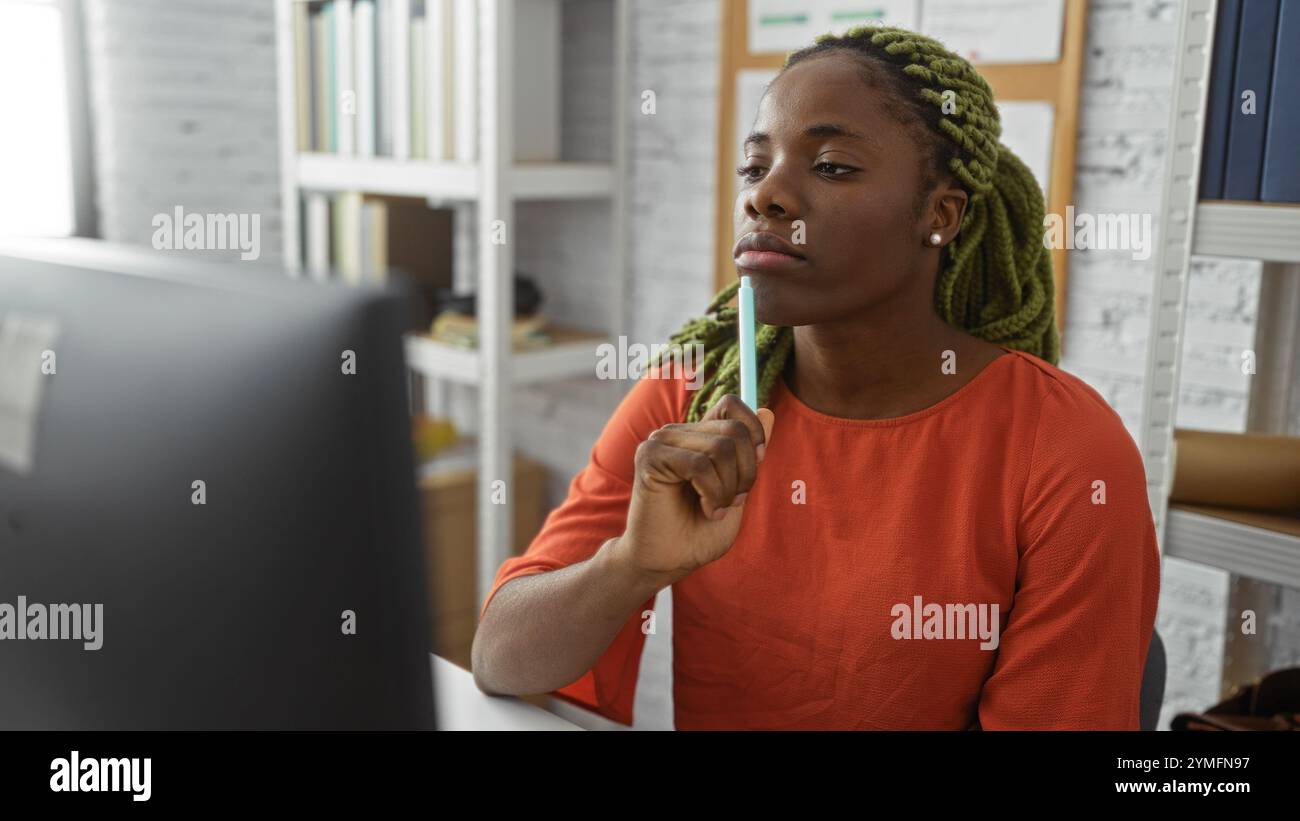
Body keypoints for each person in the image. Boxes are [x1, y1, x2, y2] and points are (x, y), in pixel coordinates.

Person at [471, 24, 1161, 730]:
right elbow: (500, 656)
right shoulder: (696, 395)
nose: (763, 198)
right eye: (754, 167)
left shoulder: (1067, 450)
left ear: (939, 215)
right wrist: (631, 565)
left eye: (830, 165)